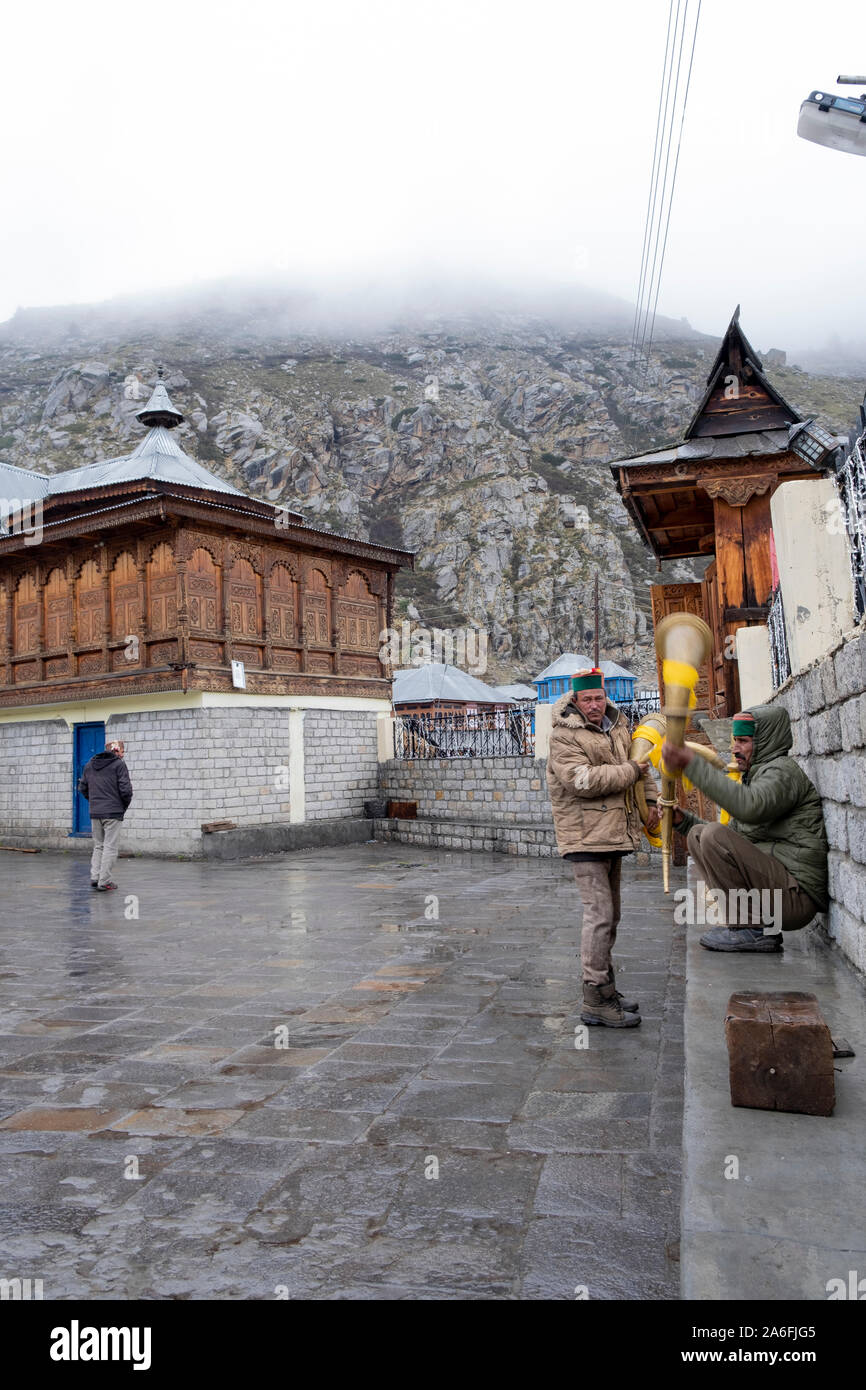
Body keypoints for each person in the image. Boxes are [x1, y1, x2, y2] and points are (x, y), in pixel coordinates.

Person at [661, 706, 828, 952]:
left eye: (743, 741)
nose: (735, 749)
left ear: (765, 742)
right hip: (778, 892)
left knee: (713, 835)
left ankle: (752, 927)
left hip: (796, 899)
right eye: (734, 741)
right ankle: (744, 925)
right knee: (699, 835)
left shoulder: (782, 773)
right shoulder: (759, 775)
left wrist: (693, 765)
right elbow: (730, 837)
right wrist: (681, 821)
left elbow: (749, 808)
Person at [547, 667, 661, 1028]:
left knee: (611, 916)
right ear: (575, 701)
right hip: (584, 837)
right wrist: (630, 771)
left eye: (599, 697)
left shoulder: (617, 726)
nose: (595, 705)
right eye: (587, 699)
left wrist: (652, 801)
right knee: (599, 916)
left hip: (612, 832)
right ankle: (594, 997)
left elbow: (642, 769)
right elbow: (582, 780)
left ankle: (607, 990)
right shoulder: (564, 736)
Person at [77, 739, 133, 892]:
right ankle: (105, 881)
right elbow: (126, 790)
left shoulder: (89, 765)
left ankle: (95, 878)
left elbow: (82, 788)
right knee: (110, 847)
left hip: (95, 812)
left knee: (98, 846)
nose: (123, 754)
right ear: (116, 751)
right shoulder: (119, 765)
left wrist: (94, 802)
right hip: (113, 812)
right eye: (122, 751)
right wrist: (122, 806)